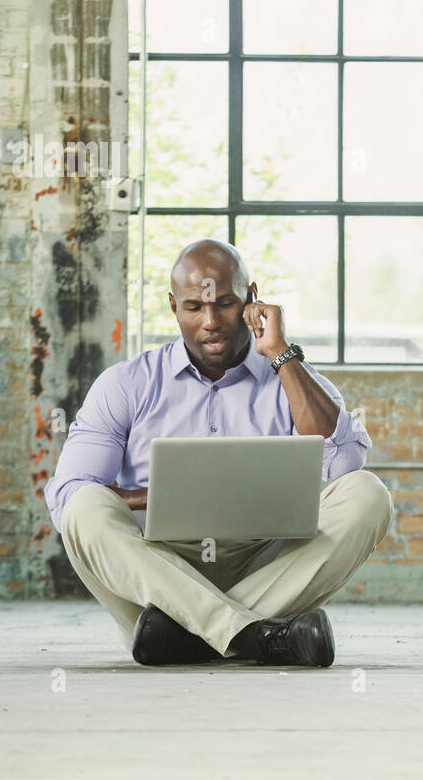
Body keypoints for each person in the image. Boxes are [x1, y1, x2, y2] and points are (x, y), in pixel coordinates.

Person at [43, 238, 393, 667]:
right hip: (156, 562)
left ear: (252, 298)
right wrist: (160, 497)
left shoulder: (291, 378)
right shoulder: (126, 384)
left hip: (261, 562)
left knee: (367, 493)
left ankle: (187, 634)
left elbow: (345, 465)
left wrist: (282, 356)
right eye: (194, 308)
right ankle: (257, 636)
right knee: (84, 509)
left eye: (225, 304)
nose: (211, 322)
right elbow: (68, 495)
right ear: (173, 306)